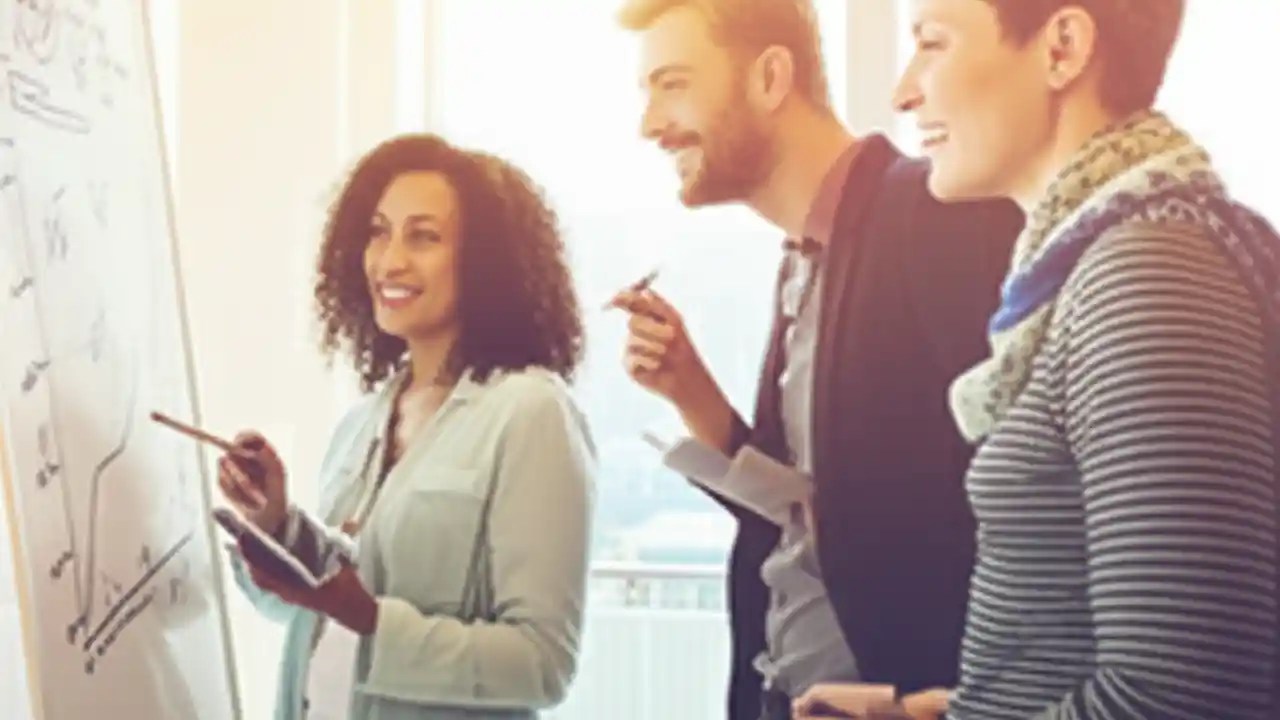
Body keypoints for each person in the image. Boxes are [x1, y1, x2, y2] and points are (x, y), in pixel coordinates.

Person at [797, 1, 1280, 718]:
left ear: (1061, 49)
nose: (904, 91)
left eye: (932, 43)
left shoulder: (1145, 276)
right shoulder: (1109, 263)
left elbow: (1184, 698)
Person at [612, 1, 1023, 718]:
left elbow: (1026, 505)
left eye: (672, 84)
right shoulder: (804, 257)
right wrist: (694, 396)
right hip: (790, 694)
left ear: (772, 77)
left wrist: (938, 704)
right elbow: (810, 509)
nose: (648, 123)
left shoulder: (933, 215)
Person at [216, 134, 596, 720]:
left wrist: (372, 621)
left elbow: (542, 663)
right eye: (377, 231)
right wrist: (275, 528)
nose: (389, 261)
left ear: (483, 260)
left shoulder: (530, 413)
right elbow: (308, 615)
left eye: (423, 237)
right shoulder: (361, 422)